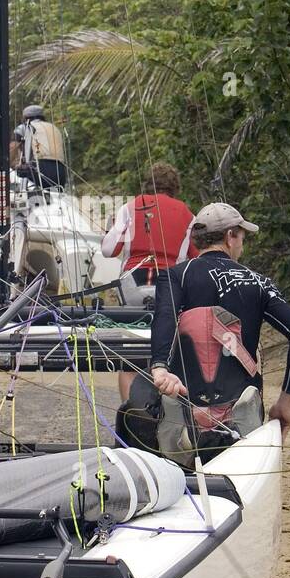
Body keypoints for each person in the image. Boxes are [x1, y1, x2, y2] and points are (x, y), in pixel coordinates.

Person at [119, 202, 290, 461]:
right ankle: (236, 420)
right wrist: (284, 404)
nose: (242, 245)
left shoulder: (176, 275)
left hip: (185, 394)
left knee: (131, 407)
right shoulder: (258, 282)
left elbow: (165, 316)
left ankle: (186, 430)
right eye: (242, 237)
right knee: (242, 389)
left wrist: (160, 368)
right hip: (241, 396)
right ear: (230, 236)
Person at [101, 162, 198, 400]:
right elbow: (195, 257)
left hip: (133, 283)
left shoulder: (131, 207)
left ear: (147, 183)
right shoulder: (188, 214)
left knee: (131, 356)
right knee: (168, 350)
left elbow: (108, 249)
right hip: (170, 286)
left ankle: (130, 410)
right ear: (176, 188)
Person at [13, 105, 67, 189]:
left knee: (20, 171)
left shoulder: (25, 127)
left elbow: (16, 143)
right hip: (60, 171)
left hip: (40, 169)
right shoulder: (55, 128)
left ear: (26, 117)